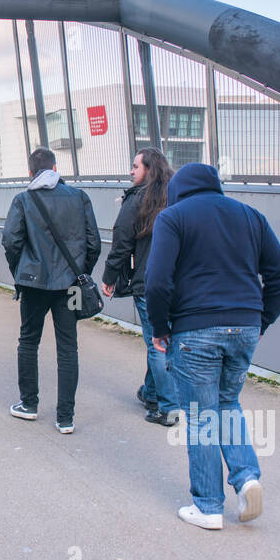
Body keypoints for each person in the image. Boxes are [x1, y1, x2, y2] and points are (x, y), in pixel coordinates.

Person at [144, 162, 280, 530]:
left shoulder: (173, 218)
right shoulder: (250, 216)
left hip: (195, 329)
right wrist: (263, 320)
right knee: (227, 403)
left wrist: (160, 328)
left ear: (178, 190)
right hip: (244, 326)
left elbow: (157, 281)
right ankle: (246, 478)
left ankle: (208, 506)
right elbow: (279, 276)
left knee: (200, 419)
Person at [0, 146, 101, 435]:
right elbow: (93, 243)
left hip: (34, 284)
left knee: (29, 341)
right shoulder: (80, 197)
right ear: (56, 170)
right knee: (68, 347)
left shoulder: (23, 200)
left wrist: (20, 271)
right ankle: (65, 418)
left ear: (31, 173)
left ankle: (29, 405)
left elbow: (10, 241)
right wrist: (81, 272)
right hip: (70, 285)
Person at [101, 148, 178, 426]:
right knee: (163, 340)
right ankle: (151, 392)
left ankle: (165, 407)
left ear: (149, 169)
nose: (131, 172)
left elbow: (121, 242)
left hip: (149, 284)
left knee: (156, 342)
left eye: (135, 167)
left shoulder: (136, 200)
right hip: (179, 285)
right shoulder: (178, 197)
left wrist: (109, 277)